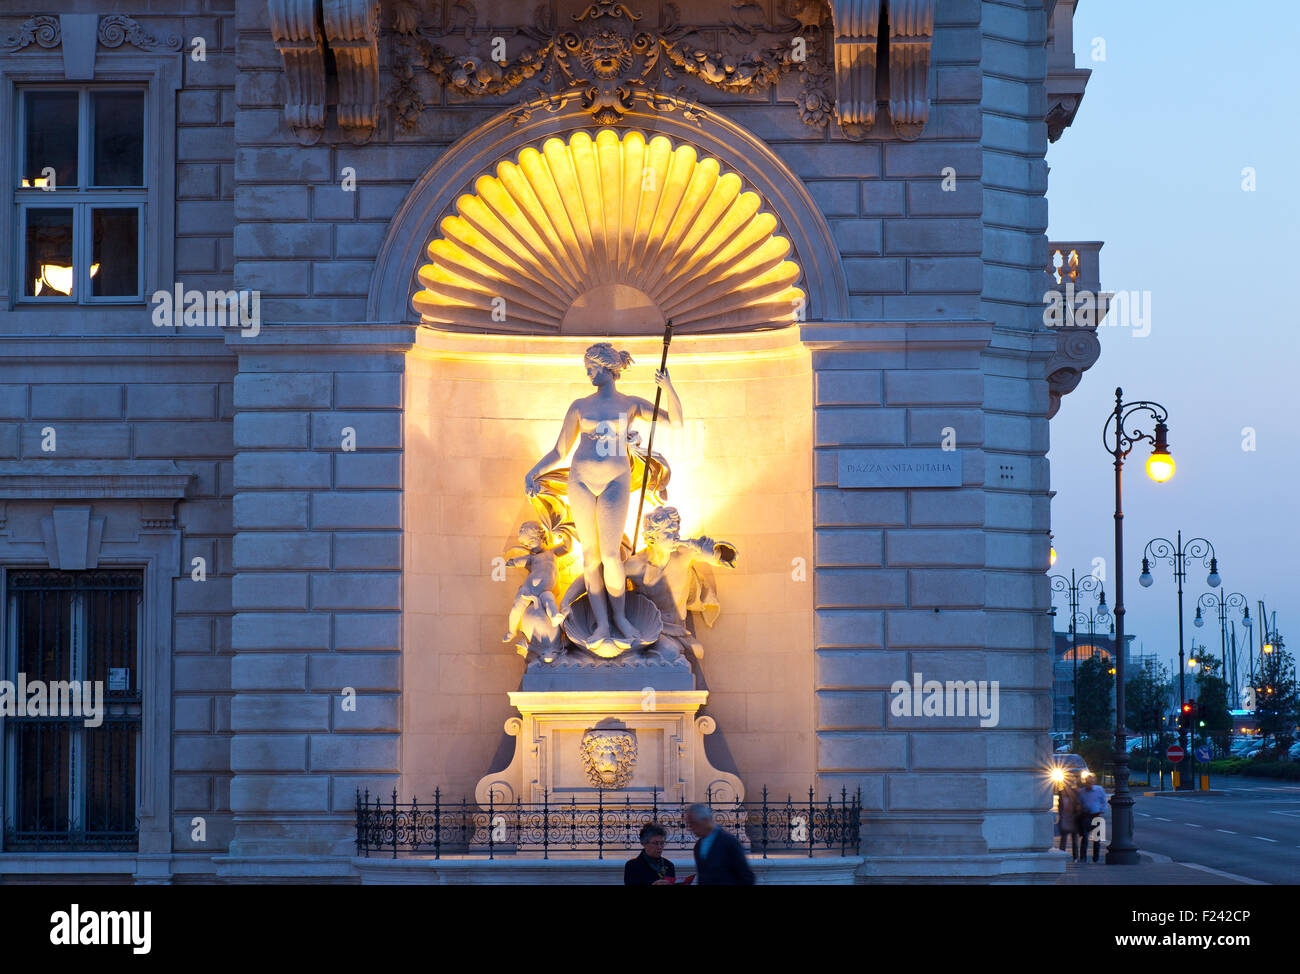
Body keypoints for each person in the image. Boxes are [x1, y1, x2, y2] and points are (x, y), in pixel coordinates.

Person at [524, 343, 682, 651]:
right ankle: (602, 624)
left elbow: (675, 422)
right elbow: (559, 451)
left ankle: (621, 618)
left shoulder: (631, 404)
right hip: (581, 479)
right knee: (591, 557)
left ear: (607, 369)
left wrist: (669, 387)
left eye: (591, 368)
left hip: (614, 480)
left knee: (610, 556)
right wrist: (532, 473)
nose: (588, 373)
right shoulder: (580, 406)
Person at [684, 803, 754, 885]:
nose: (690, 828)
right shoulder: (698, 846)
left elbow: (746, 876)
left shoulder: (729, 842)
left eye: (693, 823)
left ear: (705, 820)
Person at [1075, 772, 1107, 863]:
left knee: (1097, 839)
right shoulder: (1082, 792)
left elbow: (1104, 802)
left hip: (1096, 816)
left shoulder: (1099, 790)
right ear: (1085, 782)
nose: (1089, 784)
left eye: (1091, 782)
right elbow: (1079, 803)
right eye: (1088, 782)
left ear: (1093, 782)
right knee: (1085, 837)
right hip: (1085, 816)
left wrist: (1101, 810)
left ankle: (1095, 858)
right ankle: (1083, 857)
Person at [1056, 772, 1079, 860]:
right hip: (1065, 817)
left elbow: (1078, 804)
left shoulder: (1075, 792)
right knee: (1064, 838)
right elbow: (1060, 806)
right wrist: (1061, 816)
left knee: (1074, 838)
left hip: (1074, 818)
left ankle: (1075, 857)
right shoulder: (1061, 792)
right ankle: (1061, 855)